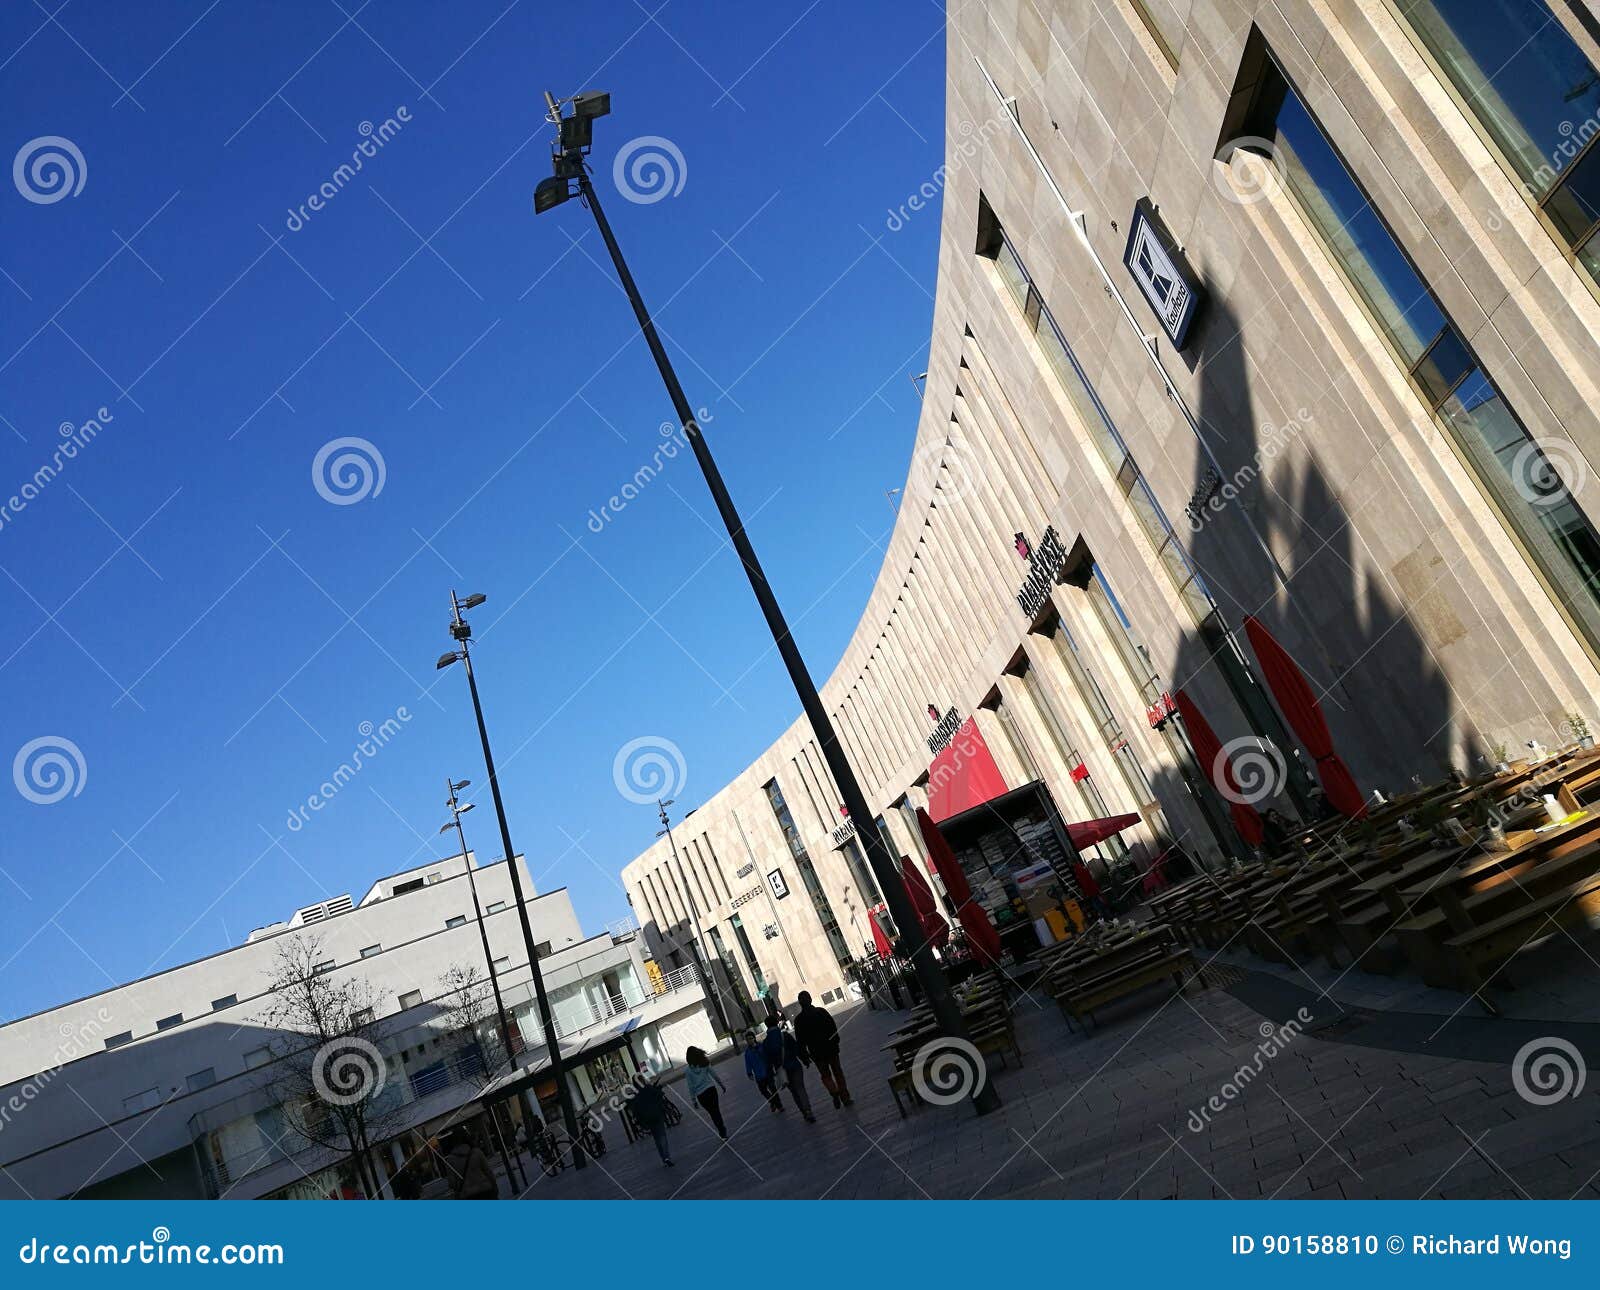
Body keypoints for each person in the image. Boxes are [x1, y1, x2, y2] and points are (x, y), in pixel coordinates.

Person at [792, 990, 851, 1108]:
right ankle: (845, 1097)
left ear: (800, 1003)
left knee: (825, 1075)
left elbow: (800, 1041)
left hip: (816, 1053)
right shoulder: (821, 1012)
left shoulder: (799, 1020)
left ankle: (833, 1091)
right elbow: (832, 1027)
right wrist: (835, 1041)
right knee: (838, 1072)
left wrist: (804, 1057)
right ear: (810, 1000)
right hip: (830, 1048)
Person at [765, 1019, 816, 1122]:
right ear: (776, 1024)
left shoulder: (766, 1042)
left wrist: (771, 1073)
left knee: (793, 1091)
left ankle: (804, 1113)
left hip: (782, 1070)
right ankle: (808, 1110)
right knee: (800, 1088)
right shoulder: (785, 1036)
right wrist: (805, 1060)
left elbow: (767, 1060)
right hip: (794, 1065)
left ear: (766, 1026)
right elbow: (796, 1048)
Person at [629, 1071, 674, 1166]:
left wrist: (640, 1121)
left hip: (647, 1119)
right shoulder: (648, 1088)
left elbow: (635, 1110)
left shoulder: (636, 1095)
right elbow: (659, 1095)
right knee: (662, 1136)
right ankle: (666, 1156)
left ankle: (663, 1158)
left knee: (656, 1138)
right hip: (657, 1115)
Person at [683, 1046, 728, 1139]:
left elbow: (690, 1086)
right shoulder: (704, 1063)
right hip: (711, 1090)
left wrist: (693, 1100)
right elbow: (714, 1074)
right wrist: (721, 1084)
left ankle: (721, 1130)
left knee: (712, 1113)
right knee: (716, 1110)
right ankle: (722, 1128)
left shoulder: (687, 1071)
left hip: (701, 1095)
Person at [442, 1130, 498, 1200]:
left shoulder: (450, 1160)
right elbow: (488, 1172)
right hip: (485, 1191)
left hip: (467, 1195)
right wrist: (494, 1186)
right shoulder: (477, 1152)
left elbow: (452, 1183)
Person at [743, 1029, 783, 1113]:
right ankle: (772, 1102)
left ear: (754, 1038)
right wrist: (749, 1073)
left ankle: (779, 1105)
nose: (749, 1041)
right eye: (747, 1039)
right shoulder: (747, 1052)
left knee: (773, 1089)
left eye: (751, 1038)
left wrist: (773, 1066)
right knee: (763, 1091)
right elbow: (748, 1063)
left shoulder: (762, 1046)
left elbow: (768, 1056)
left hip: (767, 1071)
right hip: (759, 1075)